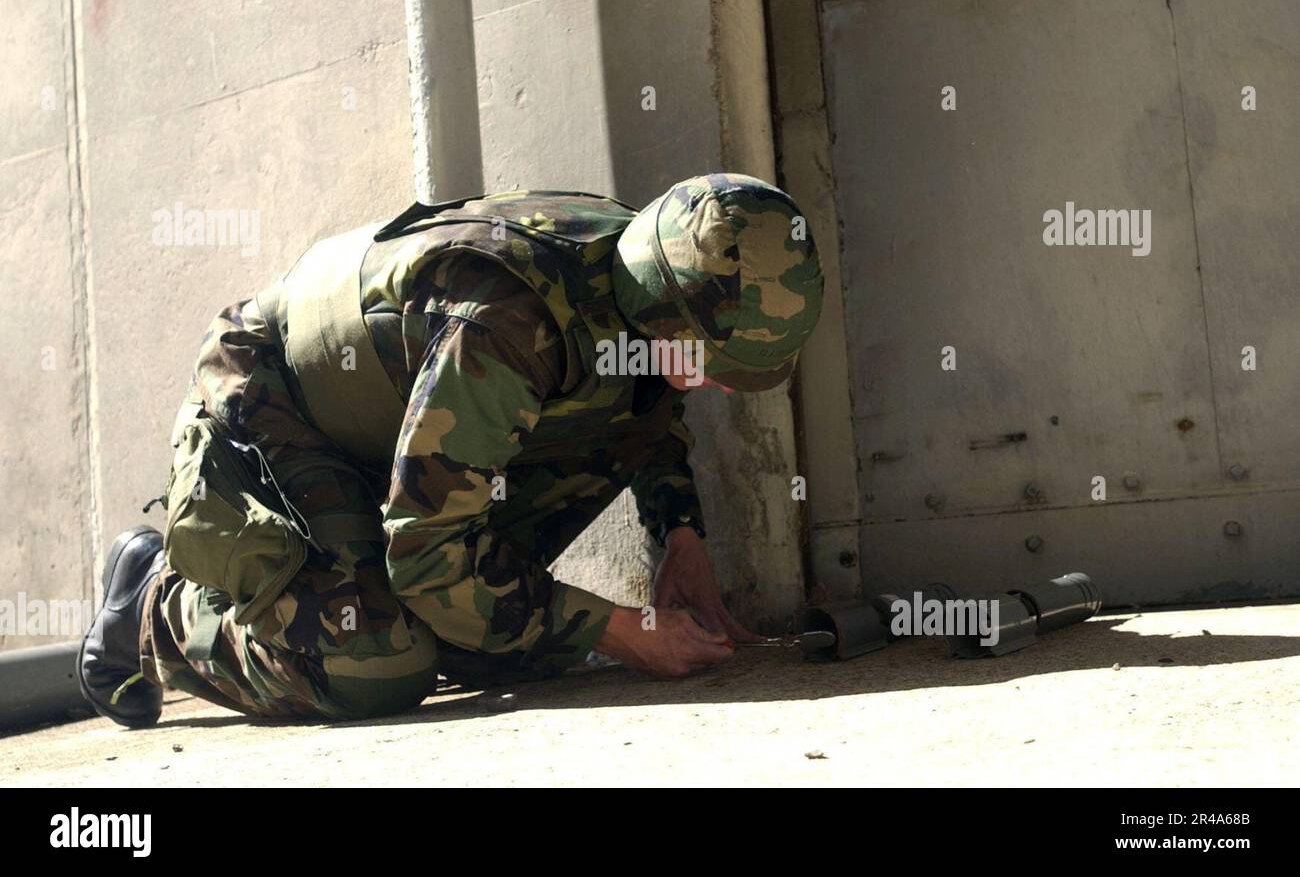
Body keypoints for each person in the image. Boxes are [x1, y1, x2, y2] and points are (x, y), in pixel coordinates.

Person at [78, 173, 824, 726]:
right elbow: (428, 559)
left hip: (391, 424)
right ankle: (152, 603)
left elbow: (646, 417)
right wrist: (619, 630)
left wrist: (680, 536)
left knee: (490, 635)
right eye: (713, 365)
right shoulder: (510, 328)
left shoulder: (649, 263)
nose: (719, 386)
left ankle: (396, 602)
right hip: (278, 405)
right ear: (663, 308)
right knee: (378, 667)